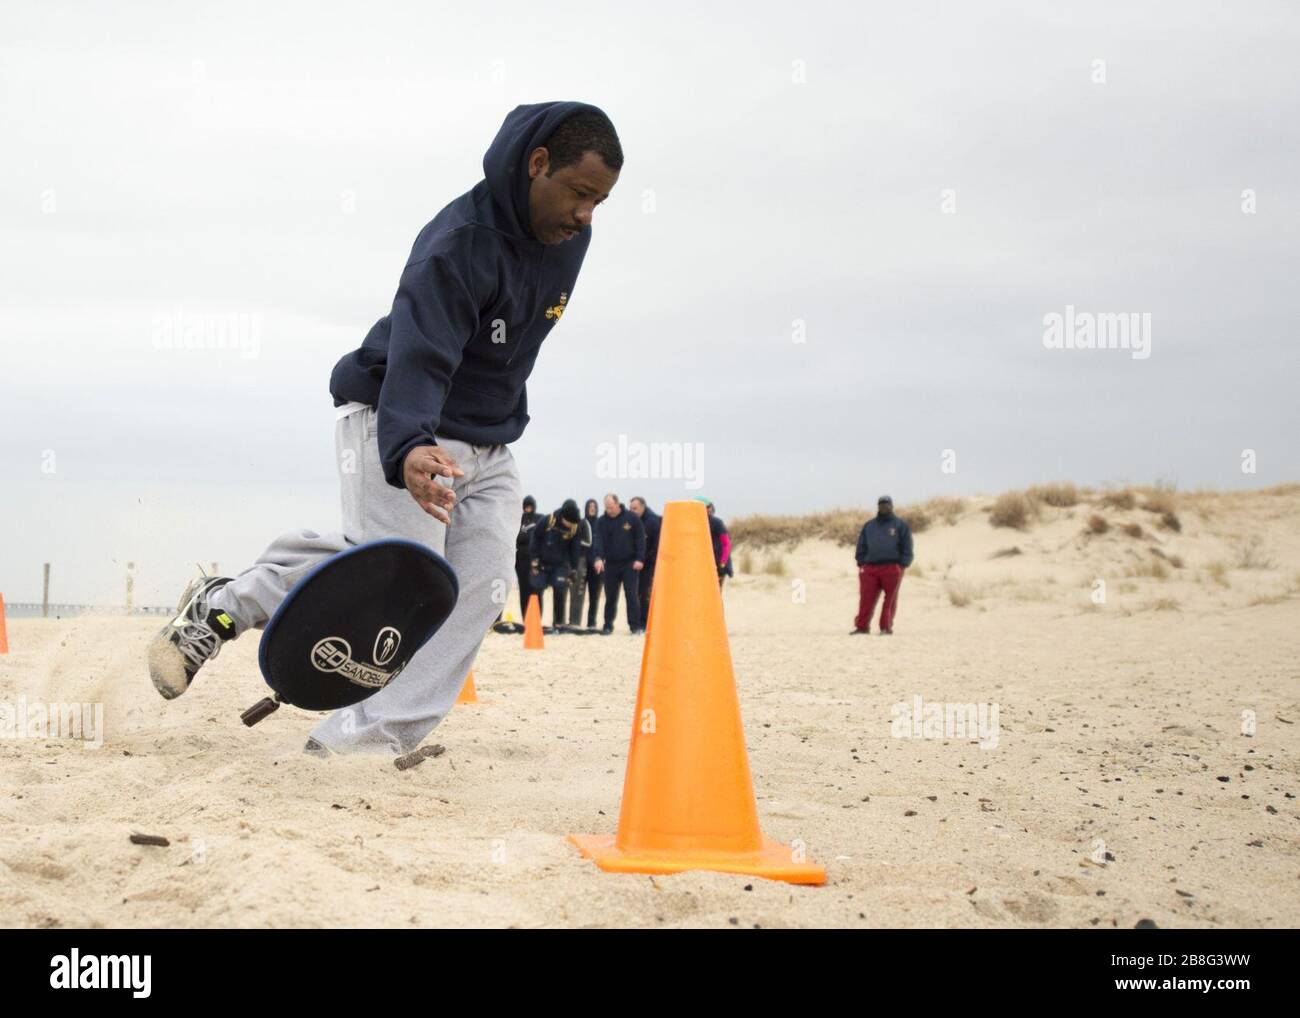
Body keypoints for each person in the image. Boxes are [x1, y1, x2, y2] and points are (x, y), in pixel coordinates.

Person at [146, 102, 623, 757]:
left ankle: (367, 731)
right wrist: (407, 445)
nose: (586, 215)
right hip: (398, 415)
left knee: (477, 589)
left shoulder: (570, 240)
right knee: (397, 577)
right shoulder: (458, 243)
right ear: (537, 165)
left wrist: (486, 430)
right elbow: (420, 351)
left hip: (489, 442)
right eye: (579, 193)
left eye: (600, 201)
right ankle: (234, 611)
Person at [852, 495, 913, 635]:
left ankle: (885, 627)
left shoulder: (900, 525)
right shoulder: (869, 526)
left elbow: (907, 547)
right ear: (878, 506)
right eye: (881, 504)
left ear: (891, 506)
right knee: (866, 599)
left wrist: (903, 564)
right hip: (870, 568)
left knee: (890, 600)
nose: (884, 506)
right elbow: (861, 545)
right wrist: (861, 562)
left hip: (892, 567)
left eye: (887, 504)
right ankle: (862, 627)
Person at [592, 493, 646, 634]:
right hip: (611, 564)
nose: (608, 510)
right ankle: (608, 625)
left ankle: (635, 626)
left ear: (617, 504)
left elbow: (640, 539)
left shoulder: (631, 518)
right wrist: (598, 558)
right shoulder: (601, 521)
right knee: (610, 596)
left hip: (630, 564)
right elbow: (598, 541)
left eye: (610, 507)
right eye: (606, 507)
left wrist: (640, 559)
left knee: (631, 595)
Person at [529, 499, 582, 629]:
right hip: (541, 563)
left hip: (560, 565)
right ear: (563, 517)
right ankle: (535, 622)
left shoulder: (574, 528)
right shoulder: (548, 520)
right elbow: (535, 538)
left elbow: (575, 550)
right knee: (536, 590)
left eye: (573, 523)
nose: (571, 525)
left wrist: (574, 569)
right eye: (569, 523)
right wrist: (534, 559)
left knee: (560, 590)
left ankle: (558, 622)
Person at [628, 497, 660, 628]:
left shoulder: (652, 521)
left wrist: (643, 560)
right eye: (631, 509)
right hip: (636, 563)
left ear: (643, 506)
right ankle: (639, 622)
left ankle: (644, 623)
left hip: (649, 564)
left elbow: (656, 546)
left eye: (635, 508)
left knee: (644, 594)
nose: (632, 511)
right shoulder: (634, 520)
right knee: (636, 593)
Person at [568, 497, 596, 630]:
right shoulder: (568, 523)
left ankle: (576, 622)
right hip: (568, 561)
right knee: (570, 592)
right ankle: (570, 621)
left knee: (579, 592)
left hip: (580, 561)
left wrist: (575, 543)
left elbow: (589, 542)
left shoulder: (584, 523)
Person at [515, 495, 543, 618]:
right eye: (526, 507)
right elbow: (516, 538)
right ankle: (525, 619)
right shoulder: (518, 520)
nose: (528, 509)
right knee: (524, 590)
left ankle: (536, 619)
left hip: (536, 561)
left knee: (536, 590)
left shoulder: (540, 519)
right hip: (521, 561)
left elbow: (541, 538)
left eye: (530, 506)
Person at [697, 496, 731, 589]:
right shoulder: (695, 523)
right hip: (702, 565)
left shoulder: (717, 523)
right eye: (706, 507)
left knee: (715, 594)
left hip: (718, 563)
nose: (709, 509)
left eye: (709, 507)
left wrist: (723, 563)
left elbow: (726, 544)